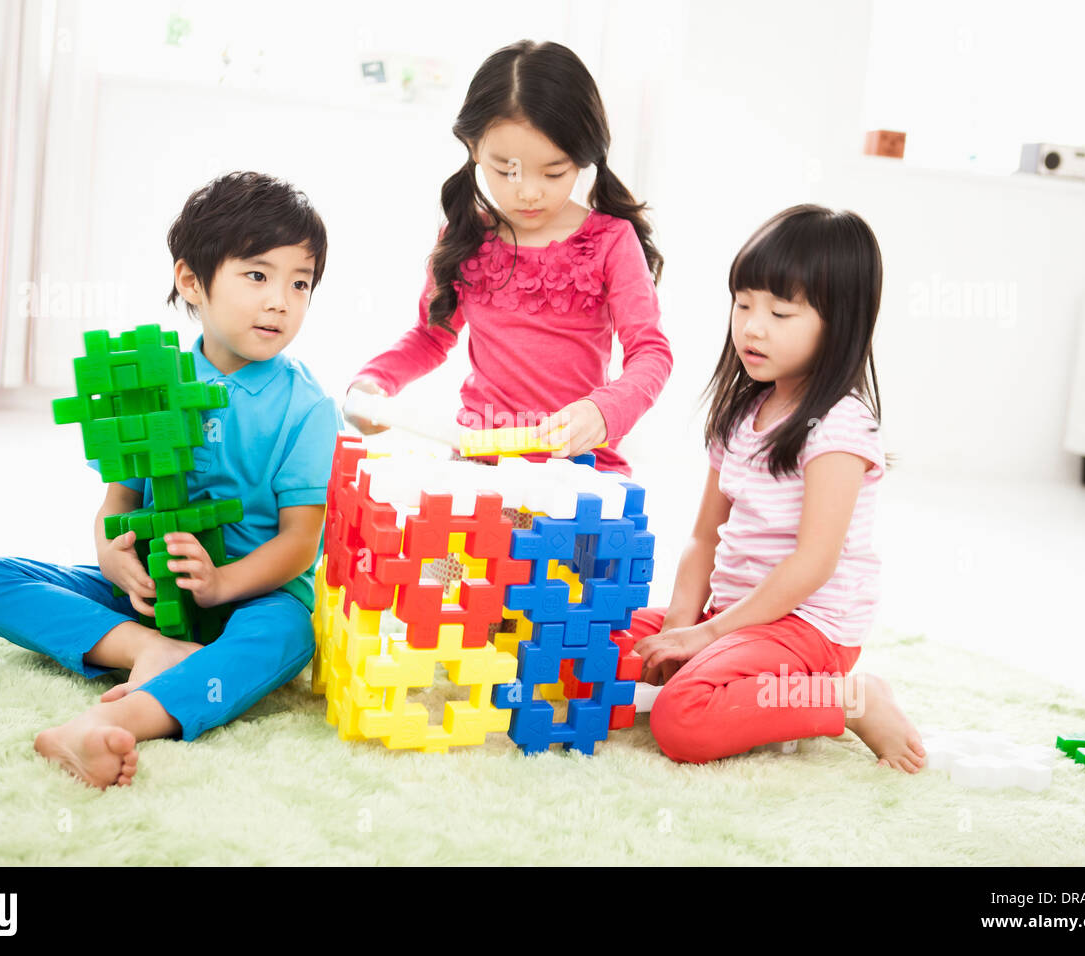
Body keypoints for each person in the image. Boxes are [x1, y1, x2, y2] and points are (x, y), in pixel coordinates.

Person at [0, 172, 341, 788]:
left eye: (300, 283)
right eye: (257, 275)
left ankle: (117, 722)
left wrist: (221, 585)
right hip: (154, 594)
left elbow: (302, 543)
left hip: (254, 592)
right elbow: (119, 505)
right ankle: (144, 651)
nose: (280, 300)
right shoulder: (150, 381)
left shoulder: (308, 407)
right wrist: (113, 558)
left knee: (291, 634)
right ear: (191, 280)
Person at [630, 204, 926, 772]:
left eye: (780, 312)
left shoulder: (841, 425)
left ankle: (848, 698)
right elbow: (703, 539)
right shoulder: (743, 411)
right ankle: (727, 674)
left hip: (807, 628)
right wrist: (680, 627)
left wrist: (708, 634)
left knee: (682, 718)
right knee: (600, 644)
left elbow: (813, 563)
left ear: (839, 322)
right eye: (743, 305)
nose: (752, 326)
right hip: (734, 614)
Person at [346, 40, 671, 476]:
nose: (528, 191)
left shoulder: (611, 240)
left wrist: (602, 411)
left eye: (554, 172)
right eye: (507, 170)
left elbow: (650, 352)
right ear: (474, 146)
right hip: (480, 466)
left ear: (582, 158)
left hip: (577, 471)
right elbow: (430, 336)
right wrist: (374, 383)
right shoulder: (465, 238)